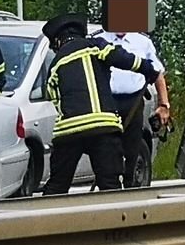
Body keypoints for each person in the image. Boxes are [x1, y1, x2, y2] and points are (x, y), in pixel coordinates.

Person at [39, 15, 159, 195]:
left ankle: (46, 219)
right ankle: (115, 220)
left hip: (69, 131)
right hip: (103, 128)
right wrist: (148, 70)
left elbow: (55, 99)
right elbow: (123, 58)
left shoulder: (55, 65)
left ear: (57, 41)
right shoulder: (96, 46)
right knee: (110, 184)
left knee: (57, 185)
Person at [100, 1, 170, 188]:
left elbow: (158, 75)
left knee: (132, 149)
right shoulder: (99, 40)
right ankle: (108, 188)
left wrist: (164, 105)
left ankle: (130, 188)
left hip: (134, 101)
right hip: (106, 102)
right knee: (107, 148)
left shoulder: (142, 42)